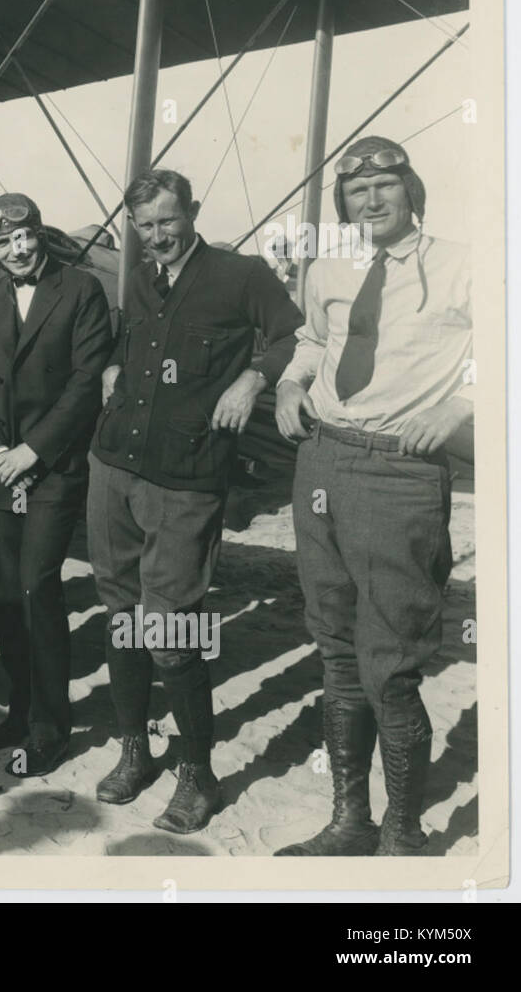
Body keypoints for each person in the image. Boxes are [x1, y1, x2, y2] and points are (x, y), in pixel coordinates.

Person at [86, 168, 303, 833]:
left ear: (194, 213)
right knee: (121, 611)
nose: (158, 237)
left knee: (172, 626)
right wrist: (116, 364)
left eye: (169, 222)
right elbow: (135, 339)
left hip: (186, 479)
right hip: (114, 465)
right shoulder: (143, 278)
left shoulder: (242, 276)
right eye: (145, 227)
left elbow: (294, 336)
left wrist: (252, 381)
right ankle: (133, 752)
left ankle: (198, 774)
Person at [273, 137, 472, 857]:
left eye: (387, 185)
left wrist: (462, 407)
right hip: (321, 463)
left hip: (400, 476)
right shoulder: (329, 266)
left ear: (411, 188)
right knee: (335, 651)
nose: (373, 200)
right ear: (344, 203)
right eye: (358, 192)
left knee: (389, 662)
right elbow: (310, 341)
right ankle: (350, 821)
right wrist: (292, 384)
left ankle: (403, 833)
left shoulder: (464, 265)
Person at [0, 193, 114, 777]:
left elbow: (84, 383)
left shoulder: (81, 291)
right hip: (0, 469)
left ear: (41, 235)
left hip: (51, 468)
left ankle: (51, 727)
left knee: (37, 588)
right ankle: (19, 709)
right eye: (4, 242)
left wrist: (32, 450)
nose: (17, 249)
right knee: (2, 593)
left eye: (24, 237)